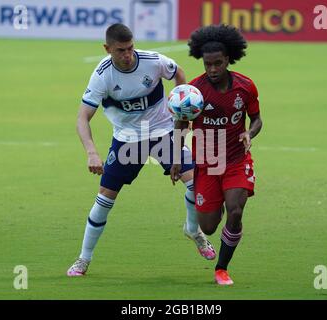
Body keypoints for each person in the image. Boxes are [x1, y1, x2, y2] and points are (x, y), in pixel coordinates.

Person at [67, 23, 216, 276]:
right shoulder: (102, 75)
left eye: (131, 48)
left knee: (195, 183)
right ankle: (83, 258)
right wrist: (91, 152)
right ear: (107, 49)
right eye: (121, 50)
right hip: (126, 140)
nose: (128, 55)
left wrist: (179, 104)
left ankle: (193, 230)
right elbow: (82, 118)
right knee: (105, 199)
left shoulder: (152, 61)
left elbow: (178, 73)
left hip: (163, 132)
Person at [171, 24, 263, 285]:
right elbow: (180, 124)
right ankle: (212, 202)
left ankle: (221, 269)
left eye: (217, 64)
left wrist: (250, 134)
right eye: (207, 64)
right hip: (207, 166)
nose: (212, 69)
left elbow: (257, 119)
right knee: (209, 226)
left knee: (235, 212)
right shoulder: (194, 92)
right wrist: (177, 159)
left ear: (228, 59)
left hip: (236, 161)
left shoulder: (245, 87)